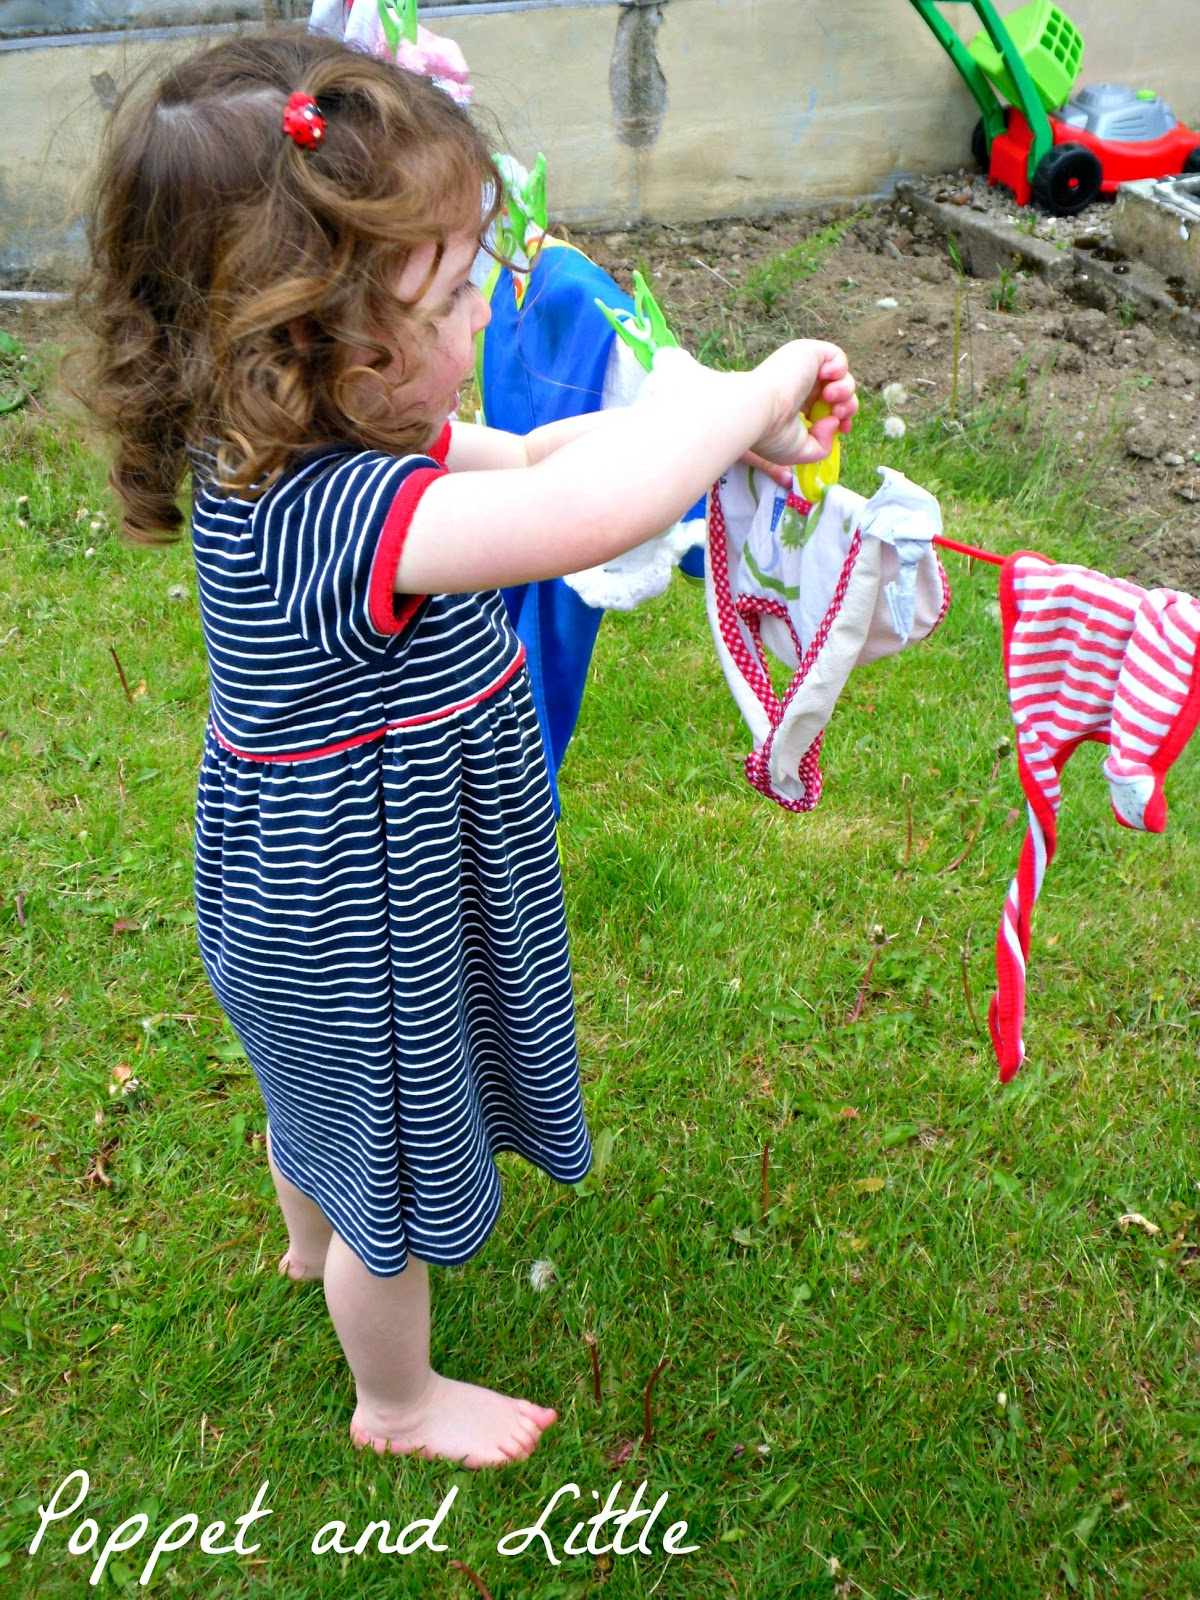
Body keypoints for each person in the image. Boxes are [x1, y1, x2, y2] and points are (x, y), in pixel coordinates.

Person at [78, 28, 857, 1468]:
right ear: (301, 342)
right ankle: (398, 1401)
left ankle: (308, 1237)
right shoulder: (339, 513)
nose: (480, 317)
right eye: (443, 301)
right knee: (382, 1171)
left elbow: (551, 458)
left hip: (318, 881)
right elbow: (586, 519)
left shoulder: (311, 445)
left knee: (320, 1109)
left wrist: (719, 436)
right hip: (359, 911)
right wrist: (755, 392)